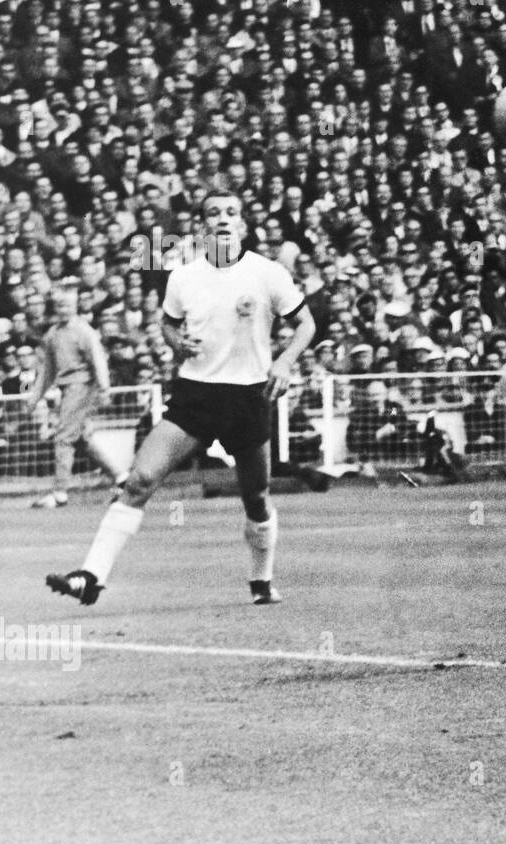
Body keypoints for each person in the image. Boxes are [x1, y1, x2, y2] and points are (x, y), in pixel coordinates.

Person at [46, 193, 315, 606]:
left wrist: (284, 361)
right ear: (202, 227)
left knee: (256, 497)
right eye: (213, 214)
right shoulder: (183, 277)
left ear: (242, 224)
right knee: (139, 480)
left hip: (247, 396)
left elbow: (305, 324)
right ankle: (91, 575)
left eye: (231, 213)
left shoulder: (268, 273)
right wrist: (177, 342)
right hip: (196, 395)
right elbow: (169, 324)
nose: (223, 220)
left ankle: (261, 580)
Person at [26, 292, 126, 508]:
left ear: (75, 307)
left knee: (63, 437)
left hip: (82, 386)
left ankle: (60, 493)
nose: (63, 310)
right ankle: (122, 477)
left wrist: (104, 387)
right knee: (78, 438)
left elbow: (98, 359)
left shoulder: (84, 331)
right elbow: (48, 371)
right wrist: (34, 397)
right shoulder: (52, 334)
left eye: (67, 305)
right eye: (59, 306)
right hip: (67, 388)